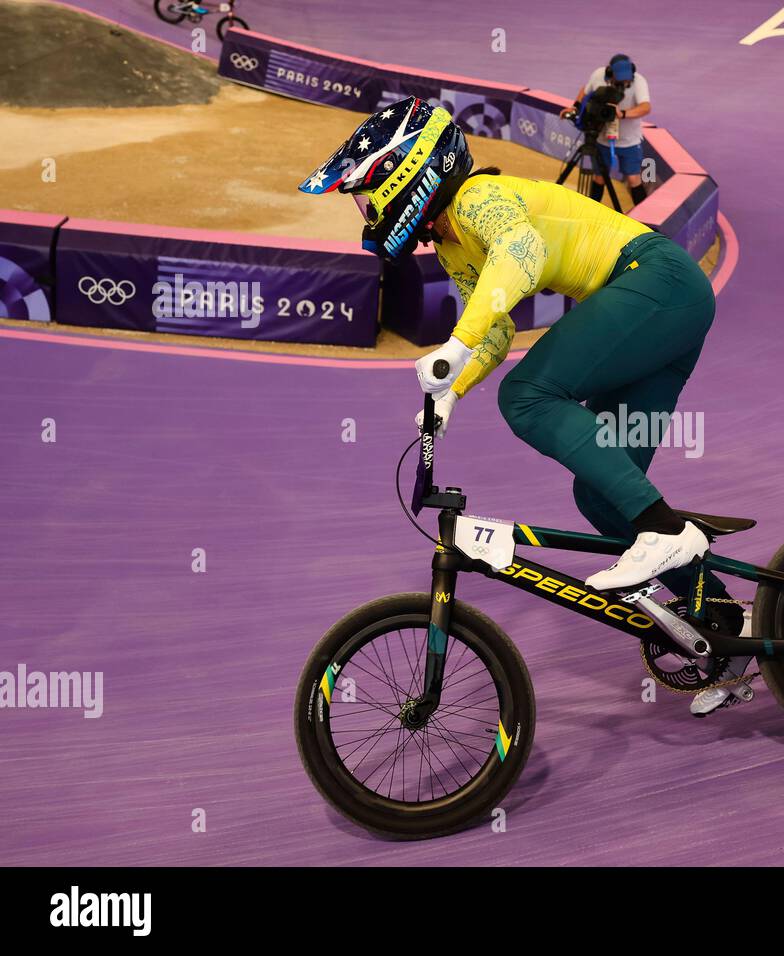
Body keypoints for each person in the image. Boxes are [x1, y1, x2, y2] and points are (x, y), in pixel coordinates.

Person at [299, 96, 749, 714]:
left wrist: (455, 349)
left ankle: (667, 531)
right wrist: (449, 391)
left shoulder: (479, 200)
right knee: (602, 495)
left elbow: (523, 255)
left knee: (528, 394)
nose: (366, 210)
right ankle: (726, 619)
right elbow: (498, 330)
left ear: (409, 173)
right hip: (667, 304)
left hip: (656, 281)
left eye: (368, 192)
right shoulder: (453, 242)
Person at [566, 54, 652, 206]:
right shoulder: (598, 75)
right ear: (610, 73)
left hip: (629, 141)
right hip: (602, 140)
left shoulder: (639, 81)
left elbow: (646, 107)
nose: (625, 83)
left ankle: (645, 223)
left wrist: (622, 114)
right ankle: (592, 213)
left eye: (627, 80)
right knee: (599, 177)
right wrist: (575, 107)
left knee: (634, 179)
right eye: (621, 80)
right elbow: (585, 91)